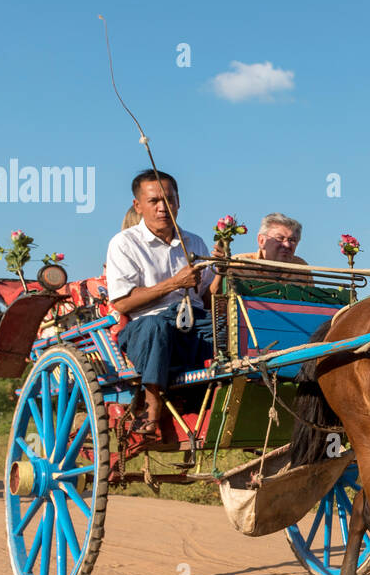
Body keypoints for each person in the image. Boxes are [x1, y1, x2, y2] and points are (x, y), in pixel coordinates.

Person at [106, 170, 226, 443]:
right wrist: (173, 283)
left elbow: (206, 299)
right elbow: (123, 301)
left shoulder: (193, 242)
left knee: (233, 325)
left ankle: (219, 399)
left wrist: (220, 270)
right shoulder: (124, 243)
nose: (163, 207)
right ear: (138, 206)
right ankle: (152, 407)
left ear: (178, 202)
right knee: (156, 325)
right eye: (154, 201)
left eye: (169, 200)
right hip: (145, 328)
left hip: (193, 323)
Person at [249, 214, 313, 284]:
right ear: (261, 240)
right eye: (280, 238)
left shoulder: (302, 269)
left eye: (292, 240)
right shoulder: (240, 265)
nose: (287, 245)